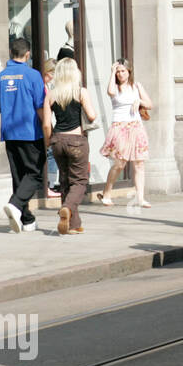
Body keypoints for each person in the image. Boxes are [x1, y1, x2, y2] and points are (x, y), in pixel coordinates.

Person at [0, 37, 48, 232]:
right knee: (35, 175)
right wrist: (48, 128)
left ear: (11, 53)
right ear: (28, 54)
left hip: (9, 133)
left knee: (19, 177)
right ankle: (14, 204)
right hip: (31, 133)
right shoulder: (33, 75)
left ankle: (27, 219)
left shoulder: (0, 77)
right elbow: (40, 106)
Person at [46, 58, 97, 235]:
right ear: (75, 73)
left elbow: (46, 123)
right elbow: (91, 116)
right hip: (77, 140)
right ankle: (66, 208)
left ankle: (72, 224)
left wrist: (49, 141)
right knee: (80, 181)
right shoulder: (81, 92)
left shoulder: (51, 95)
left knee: (65, 180)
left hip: (58, 140)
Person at [96, 59, 152, 207]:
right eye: (118, 71)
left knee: (139, 163)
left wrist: (139, 101)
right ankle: (107, 193)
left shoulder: (136, 86)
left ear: (129, 71)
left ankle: (140, 198)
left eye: (123, 71)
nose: (121, 74)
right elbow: (110, 92)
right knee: (120, 163)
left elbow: (150, 104)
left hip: (136, 126)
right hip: (120, 127)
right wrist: (112, 71)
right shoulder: (115, 86)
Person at [41, 58, 60, 195]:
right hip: (43, 122)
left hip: (46, 121)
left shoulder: (47, 86)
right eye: (52, 74)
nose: (53, 77)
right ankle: (49, 185)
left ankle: (49, 184)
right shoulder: (41, 85)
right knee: (50, 152)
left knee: (50, 152)